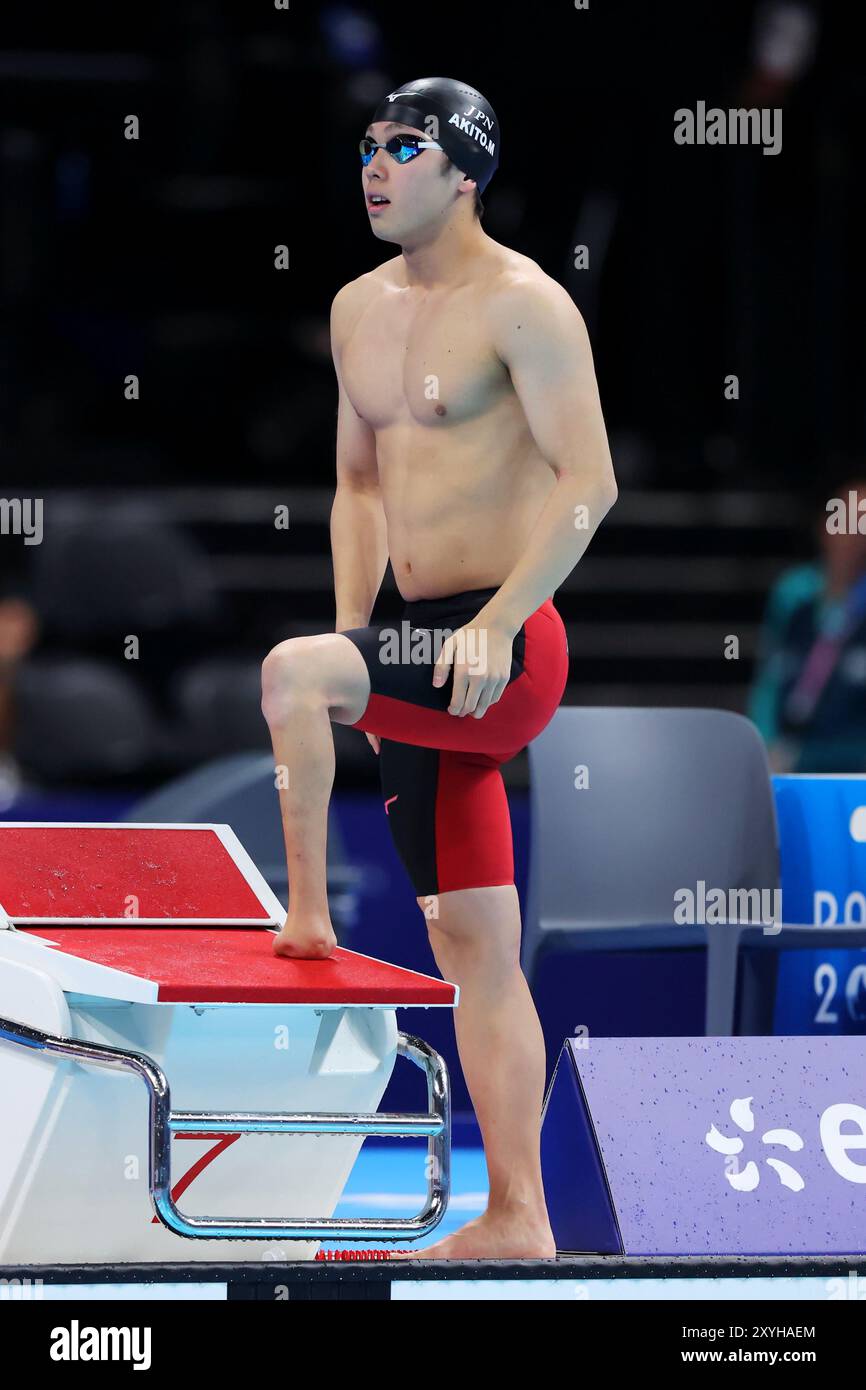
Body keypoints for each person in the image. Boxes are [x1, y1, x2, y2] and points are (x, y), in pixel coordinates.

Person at [261, 77, 618, 1259]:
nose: (373, 164)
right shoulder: (355, 308)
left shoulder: (525, 305)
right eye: (365, 145)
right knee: (473, 944)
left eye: (402, 146)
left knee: (288, 672)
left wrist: (499, 617)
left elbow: (588, 486)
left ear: (463, 170)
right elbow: (356, 490)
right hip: (409, 658)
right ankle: (519, 1218)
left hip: (499, 645)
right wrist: (358, 649)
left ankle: (306, 919)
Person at [750, 477, 866, 773]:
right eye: (845, 521)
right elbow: (770, 684)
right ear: (824, 528)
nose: (853, 535)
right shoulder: (797, 603)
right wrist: (763, 748)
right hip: (790, 760)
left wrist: (802, 759)